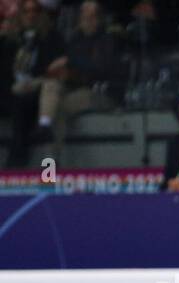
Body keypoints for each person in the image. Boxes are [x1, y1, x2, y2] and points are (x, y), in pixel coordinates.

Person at [48, 1, 123, 151]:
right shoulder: (76, 39)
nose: (87, 20)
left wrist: (71, 61)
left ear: (99, 18)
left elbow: (101, 69)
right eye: (84, 15)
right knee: (50, 93)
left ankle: (53, 155)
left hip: (102, 92)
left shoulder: (108, 39)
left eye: (92, 16)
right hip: (75, 87)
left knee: (62, 106)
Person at [3, 0, 64, 167]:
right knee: (20, 101)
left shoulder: (51, 36)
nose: (31, 15)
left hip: (41, 88)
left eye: (35, 10)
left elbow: (56, 65)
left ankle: (47, 171)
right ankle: (17, 163)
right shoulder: (11, 38)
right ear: (20, 14)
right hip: (13, 91)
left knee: (48, 105)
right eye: (26, 11)